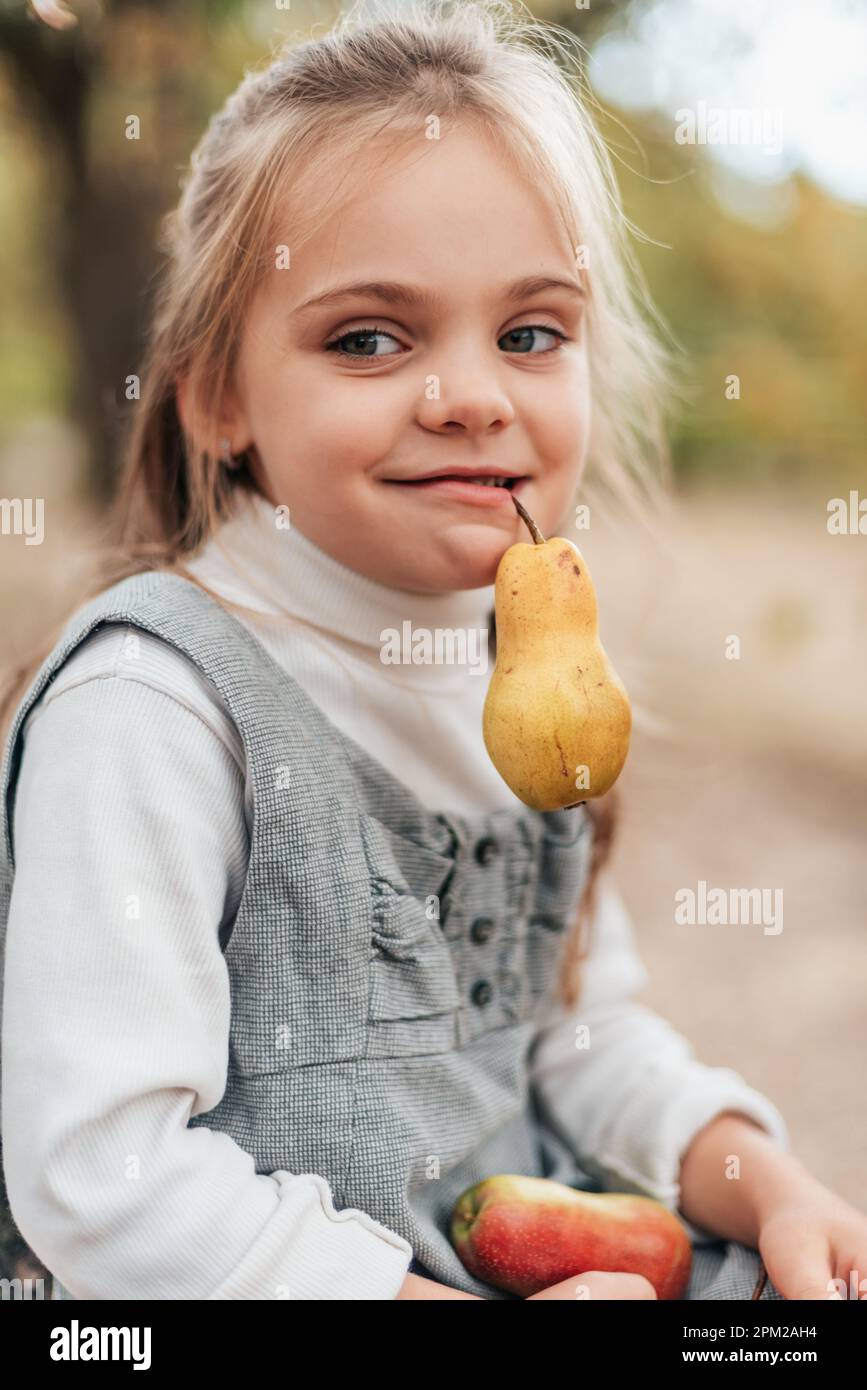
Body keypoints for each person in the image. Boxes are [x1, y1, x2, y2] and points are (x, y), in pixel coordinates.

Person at [3, 0, 863, 1301]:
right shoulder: (154, 707)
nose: (474, 393)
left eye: (531, 333)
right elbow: (106, 1178)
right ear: (217, 397)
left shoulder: (529, 676)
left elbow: (576, 1035)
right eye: (369, 337)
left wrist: (771, 1181)